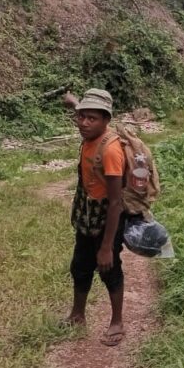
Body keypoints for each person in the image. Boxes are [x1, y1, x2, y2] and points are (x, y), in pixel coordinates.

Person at [61, 88, 132, 347]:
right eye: (81, 117)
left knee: (109, 269)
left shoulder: (111, 151)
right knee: (80, 265)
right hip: (86, 215)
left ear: (106, 120)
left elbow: (115, 202)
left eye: (92, 118)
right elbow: (85, 112)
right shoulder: (90, 132)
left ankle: (117, 322)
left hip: (107, 219)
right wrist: (74, 103)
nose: (84, 123)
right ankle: (77, 315)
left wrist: (106, 247)